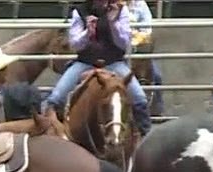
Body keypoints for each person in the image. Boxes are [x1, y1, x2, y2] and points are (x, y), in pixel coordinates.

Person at [39, 0, 152, 138]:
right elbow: (75, 44)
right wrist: (87, 33)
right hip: (85, 62)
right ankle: (52, 135)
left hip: (113, 62)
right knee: (56, 98)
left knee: (139, 98)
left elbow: (124, 43)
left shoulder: (121, 11)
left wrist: (113, 23)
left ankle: (146, 136)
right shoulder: (80, 12)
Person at [124, 0, 164, 117]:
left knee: (156, 76)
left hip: (139, 50)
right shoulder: (112, 4)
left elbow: (147, 29)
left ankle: (156, 111)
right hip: (119, 52)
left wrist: (137, 38)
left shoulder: (140, 4)